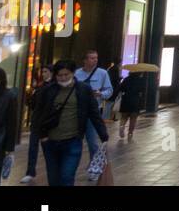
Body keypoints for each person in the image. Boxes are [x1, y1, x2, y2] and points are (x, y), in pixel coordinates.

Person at [32, 59, 108, 187]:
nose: (63, 78)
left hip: (72, 140)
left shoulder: (83, 90)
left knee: (67, 177)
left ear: (73, 73)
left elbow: (93, 113)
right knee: (53, 178)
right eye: (60, 75)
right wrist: (42, 135)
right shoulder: (48, 90)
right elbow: (38, 113)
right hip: (50, 141)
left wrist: (103, 135)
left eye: (66, 74)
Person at [74, 50, 112, 174]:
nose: (94, 60)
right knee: (75, 141)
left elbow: (109, 90)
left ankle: (94, 167)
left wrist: (101, 94)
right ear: (84, 60)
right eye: (91, 58)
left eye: (96, 58)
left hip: (93, 111)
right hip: (77, 111)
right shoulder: (77, 74)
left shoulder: (103, 73)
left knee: (92, 141)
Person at [20, 65, 52, 182]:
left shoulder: (51, 87)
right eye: (42, 72)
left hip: (46, 123)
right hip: (36, 121)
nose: (43, 74)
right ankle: (30, 172)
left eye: (45, 71)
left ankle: (51, 172)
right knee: (33, 147)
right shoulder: (39, 86)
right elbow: (33, 104)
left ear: (51, 73)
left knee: (47, 149)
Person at [116, 71, 146, 139]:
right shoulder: (140, 80)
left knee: (124, 117)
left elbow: (121, 89)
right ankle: (130, 133)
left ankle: (122, 127)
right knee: (133, 118)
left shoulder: (126, 79)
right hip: (135, 100)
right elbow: (142, 91)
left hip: (125, 99)